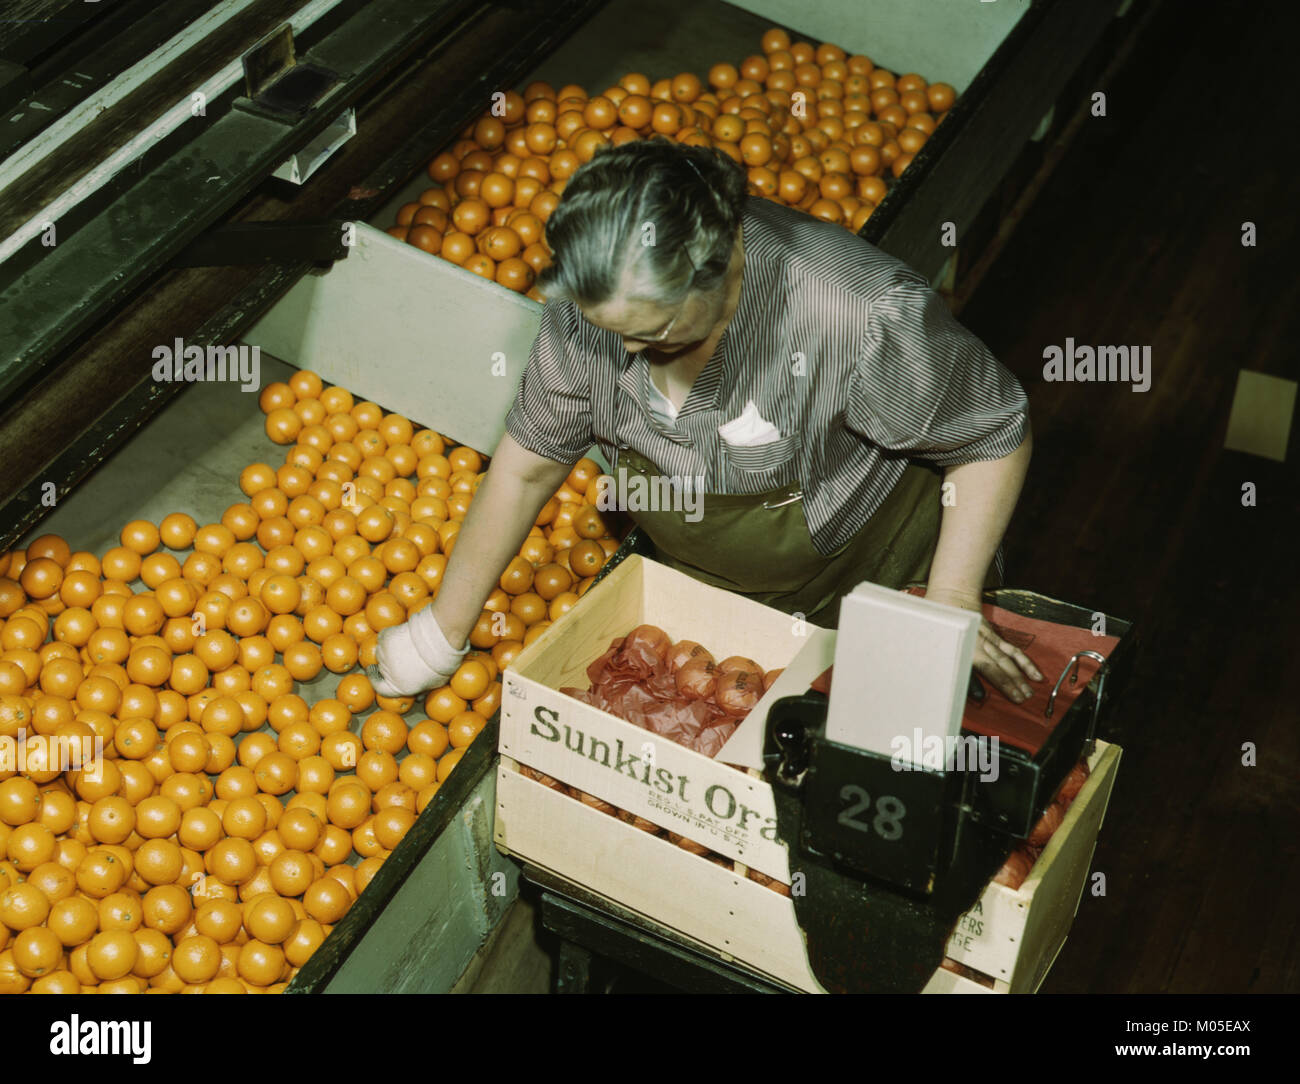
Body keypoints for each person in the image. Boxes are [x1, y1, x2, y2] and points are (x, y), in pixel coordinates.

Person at [372, 139, 1042, 703]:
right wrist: (440, 632)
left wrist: (952, 594)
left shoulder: (854, 316)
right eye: (606, 328)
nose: (624, 353)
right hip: (711, 579)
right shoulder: (599, 308)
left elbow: (991, 434)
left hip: (869, 560)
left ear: (723, 266)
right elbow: (530, 465)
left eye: (654, 333)